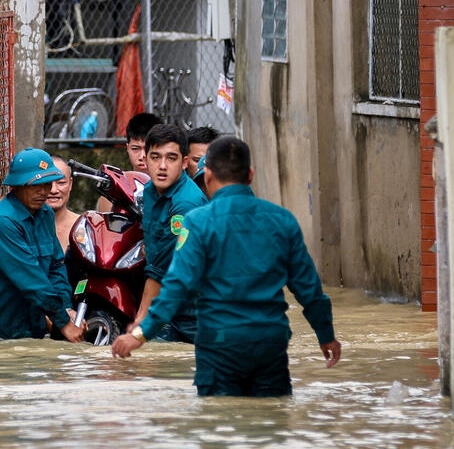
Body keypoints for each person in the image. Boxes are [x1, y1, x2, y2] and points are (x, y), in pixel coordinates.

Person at [112, 136, 342, 397]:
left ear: (207, 175)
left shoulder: (197, 223)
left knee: (219, 426)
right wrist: (326, 335)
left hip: (218, 349)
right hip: (269, 347)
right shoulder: (282, 221)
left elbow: (177, 287)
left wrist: (140, 335)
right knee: (271, 424)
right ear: (251, 175)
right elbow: (309, 290)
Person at [0, 147, 87, 343]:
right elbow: (31, 279)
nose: (44, 192)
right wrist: (64, 322)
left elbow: (55, 267)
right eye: (35, 185)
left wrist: (66, 309)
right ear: (16, 186)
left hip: (28, 328)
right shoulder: (3, 221)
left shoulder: (45, 214)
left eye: (46, 184)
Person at [131, 123, 207, 343]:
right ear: (145, 159)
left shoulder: (186, 204)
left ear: (184, 163)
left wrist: (141, 321)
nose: (162, 166)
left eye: (171, 158)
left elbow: (162, 268)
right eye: (155, 157)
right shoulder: (148, 190)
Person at [97, 112, 163, 212]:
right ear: (127, 148)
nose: (142, 156)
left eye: (147, 149)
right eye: (135, 149)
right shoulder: (114, 190)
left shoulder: (171, 189)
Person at [48, 155, 80, 252]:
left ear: (70, 184)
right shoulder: (23, 228)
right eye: (47, 183)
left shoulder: (83, 226)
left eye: (61, 183)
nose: (53, 190)